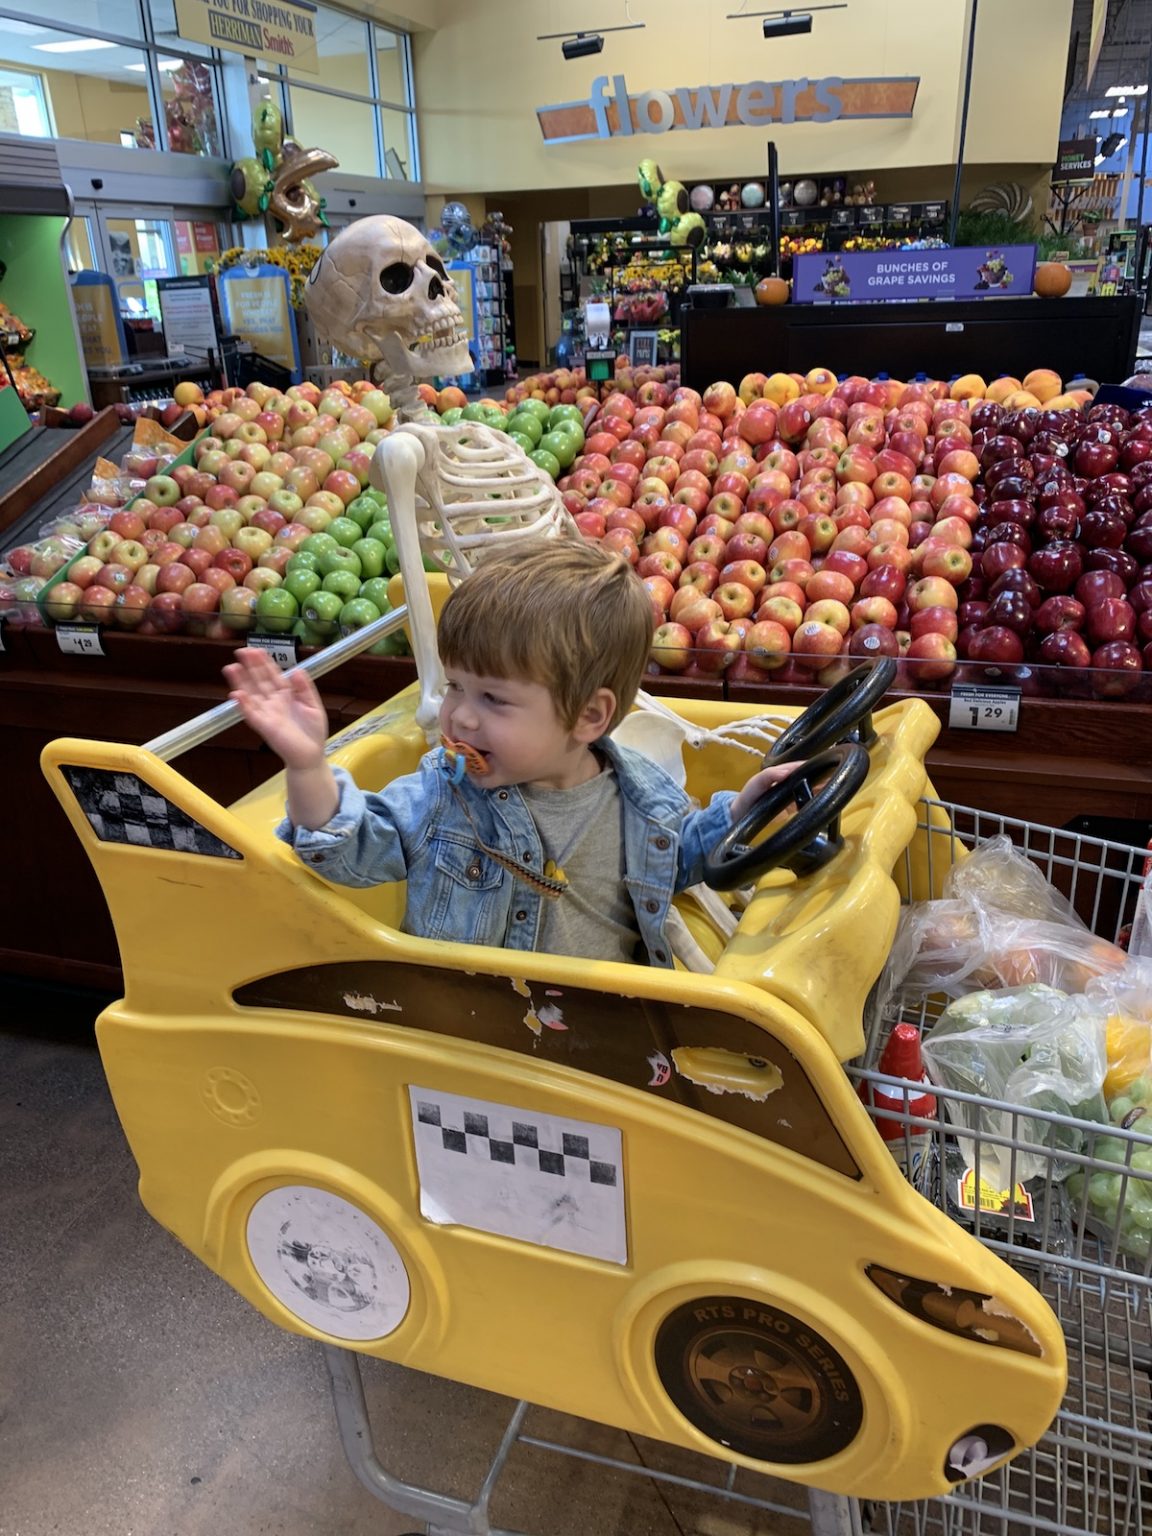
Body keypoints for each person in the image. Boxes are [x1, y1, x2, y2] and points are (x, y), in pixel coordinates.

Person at [223, 539, 797, 967]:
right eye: (456, 687)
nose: (460, 716)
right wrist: (306, 765)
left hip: (608, 1040)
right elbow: (354, 851)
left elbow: (681, 861)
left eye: (494, 698)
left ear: (588, 716)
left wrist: (744, 812)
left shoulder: (640, 798)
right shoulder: (444, 793)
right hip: (480, 1044)